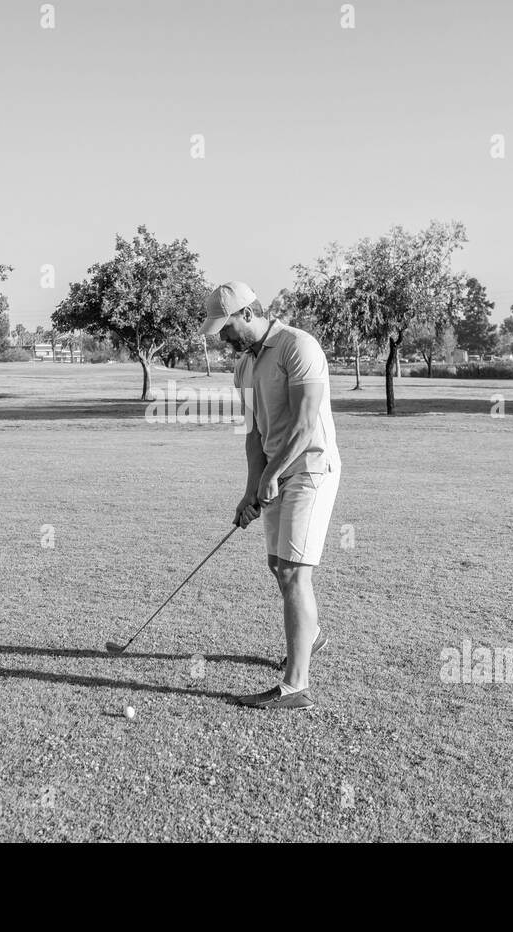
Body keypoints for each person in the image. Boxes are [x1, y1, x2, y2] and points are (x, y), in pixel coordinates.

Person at [200, 281, 342, 711]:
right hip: (277, 473)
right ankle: (312, 634)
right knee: (278, 567)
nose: (221, 337)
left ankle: (296, 686)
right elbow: (254, 433)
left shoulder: (299, 346)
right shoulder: (244, 366)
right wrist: (251, 488)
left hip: (311, 470)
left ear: (247, 313)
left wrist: (273, 475)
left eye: (225, 327)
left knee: (296, 573)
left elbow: (303, 423)